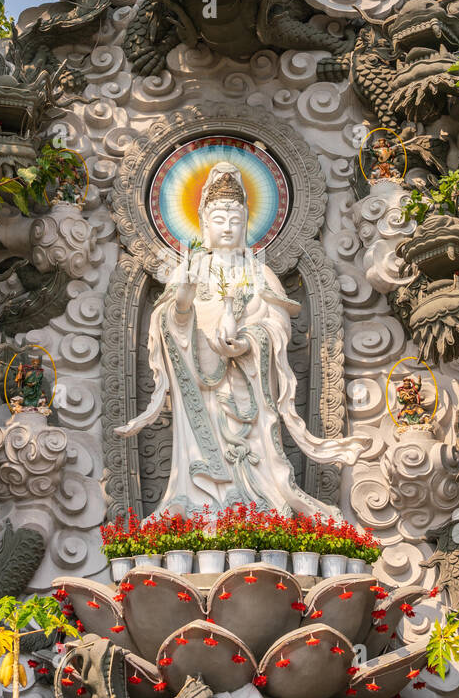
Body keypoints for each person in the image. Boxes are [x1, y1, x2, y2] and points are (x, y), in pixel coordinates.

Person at [115, 161, 364, 517]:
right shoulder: (191, 271)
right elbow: (167, 324)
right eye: (219, 220)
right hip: (202, 389)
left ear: (246, 222)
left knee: (259, 454)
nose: (228, 228)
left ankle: (261, 508)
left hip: (250, 384)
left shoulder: (258, 273)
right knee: (200, 457)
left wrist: (249, 342)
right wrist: (182, 305)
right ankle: (202, 507)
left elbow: (278, 324)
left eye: (235, 220)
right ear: (204, 224)